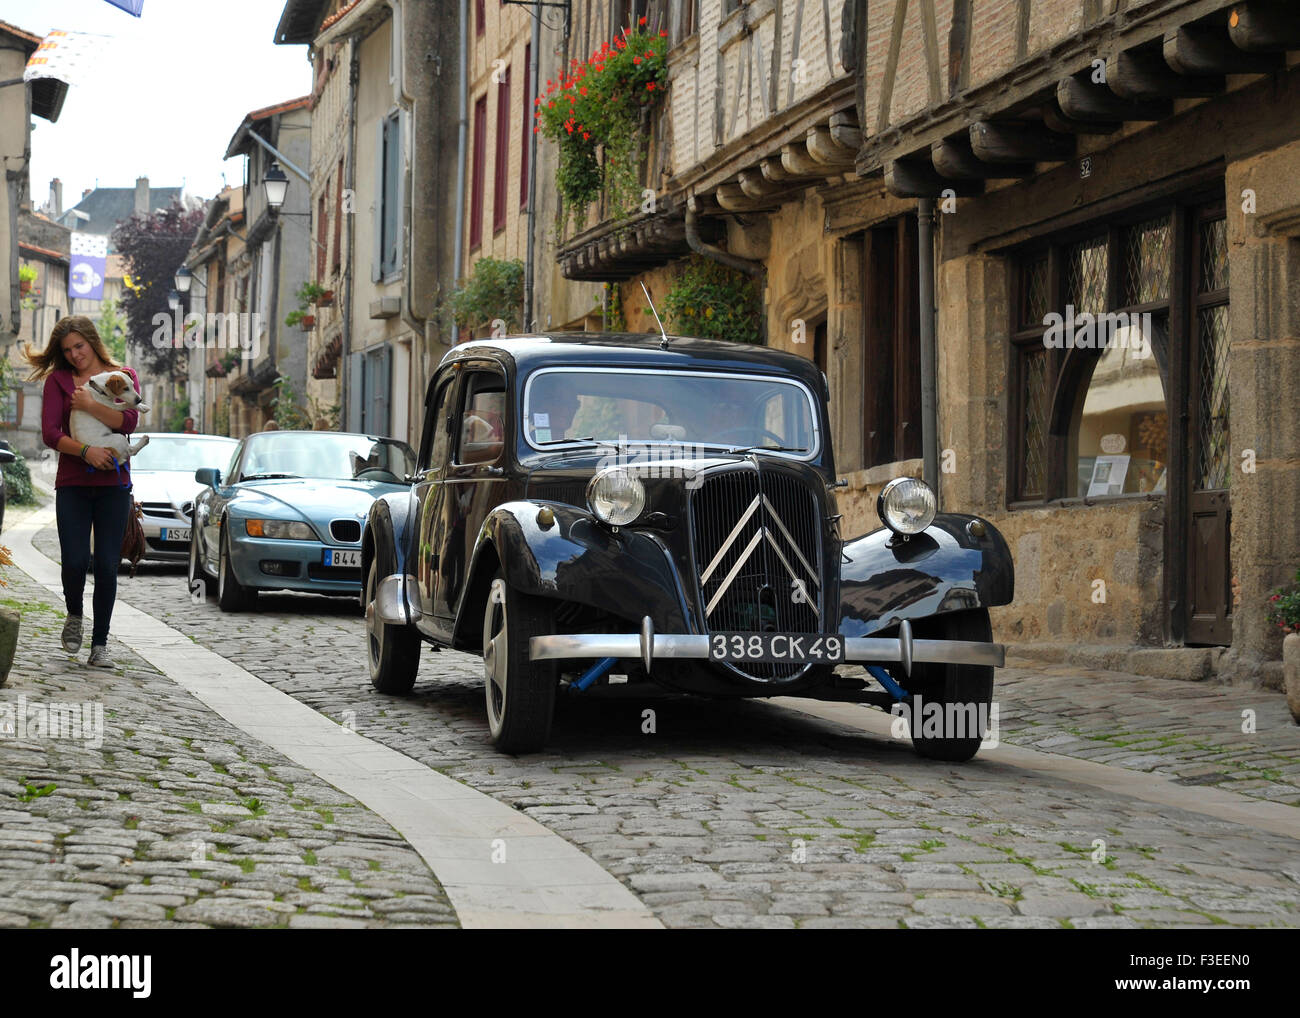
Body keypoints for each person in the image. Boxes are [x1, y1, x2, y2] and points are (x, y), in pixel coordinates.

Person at [27, 315, 142, 668]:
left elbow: (130, 421)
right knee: (75, 560)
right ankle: (74, 614)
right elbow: (49, 433)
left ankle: (100, 645)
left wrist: (91, 405)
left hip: (114, 486)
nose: (75, 354)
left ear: (92, 341)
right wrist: (86, 451)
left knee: (107, 565)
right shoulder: (57, 382)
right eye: (67, 350)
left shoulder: (122, 375)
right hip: (74, 484)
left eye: (79, 346)